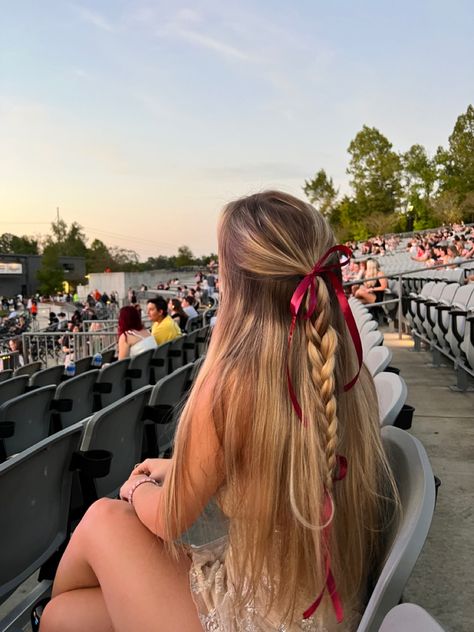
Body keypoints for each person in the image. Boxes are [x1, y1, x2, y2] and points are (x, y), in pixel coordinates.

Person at [41, 191, 397, 632]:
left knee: (102, 518)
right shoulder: (343, 366)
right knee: (65, 615)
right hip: (315, 604)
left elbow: (171, 519)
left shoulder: (233, 382)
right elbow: (274, 464)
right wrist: (176, 467)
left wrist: (135, 490)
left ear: (236, 284)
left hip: (259, 614)